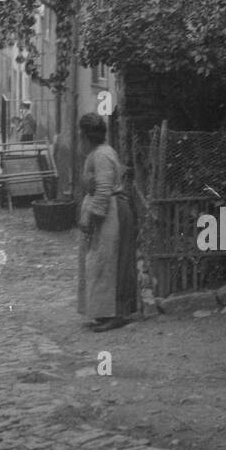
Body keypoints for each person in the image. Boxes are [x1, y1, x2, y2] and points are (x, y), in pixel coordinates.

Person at [76, 112, 134, 331]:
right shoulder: (99, 152)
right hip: (107, 213)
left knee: (110, 263)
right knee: (100, 264)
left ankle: (116, 314)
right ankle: (103, 312)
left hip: (111, 214)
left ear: (86, 135)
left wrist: (90, 216)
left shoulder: (101, 155)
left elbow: (103, 189)